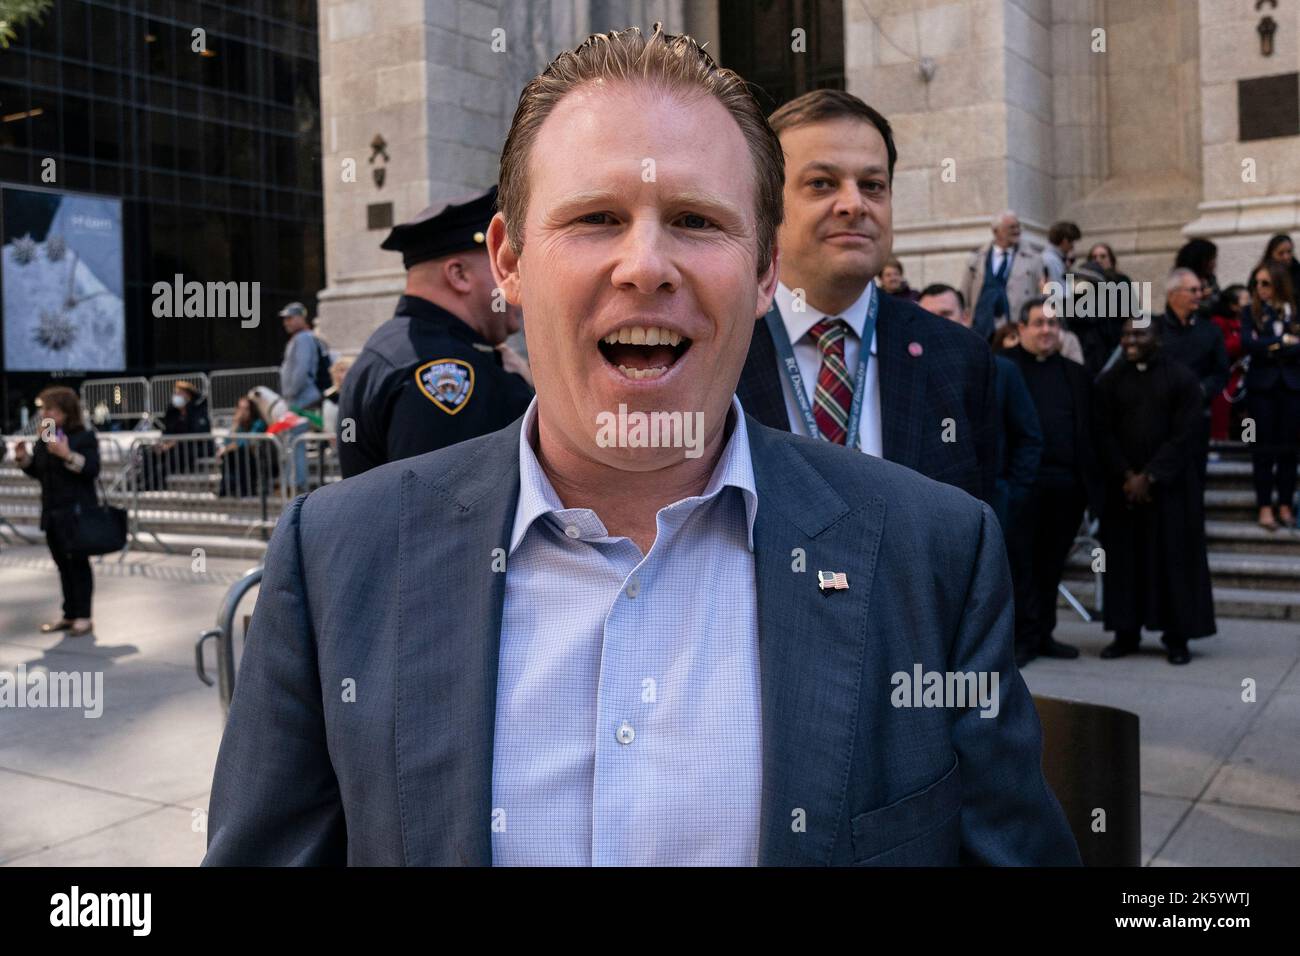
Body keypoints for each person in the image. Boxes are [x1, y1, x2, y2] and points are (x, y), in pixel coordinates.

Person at [205, 24, 1078, 867]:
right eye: (595, 217)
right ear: (508, 261)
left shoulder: (934, 558)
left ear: (764, 272)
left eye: (696, 220)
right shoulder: (338, 562)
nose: (646, 266)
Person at [735, 89, 998, 506]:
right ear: (768, 206)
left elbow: (981, 523)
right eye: (821, 184)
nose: (854, 204)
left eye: (872, 186)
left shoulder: (959, 358)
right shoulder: (718, 351)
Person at [337, 186, 535, 479]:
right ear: (459, 275)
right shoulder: (446, 367)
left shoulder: (397, 346)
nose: (517, 281)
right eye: (504, 267)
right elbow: (451, 500)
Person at [1095, 318, 1215, 664]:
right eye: (1126, 334)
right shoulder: (1110, 380)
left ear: (1158, 338)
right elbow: (1101, 432)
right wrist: (1126, 474)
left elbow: (1186, 434)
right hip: (1123, 491)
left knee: (1173, 562)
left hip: (1171, 490)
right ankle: (1125, 633)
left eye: (1139, 334)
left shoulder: (1182, 378)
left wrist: (1150, 476)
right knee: (1124, 563)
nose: (1130, 340)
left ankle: (1177, 637)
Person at [1005, 297, 1104, 668]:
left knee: (1051, 565)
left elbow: (1089, 430)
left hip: (1066, 489)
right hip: (1021, 488)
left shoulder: (1076, 374)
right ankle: (1022, 637)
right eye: (1038, 323)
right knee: (1020, 566)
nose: (1046, 330)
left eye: (1053, 324)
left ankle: (1044, 633)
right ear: (1021, 329)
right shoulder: (1004, 367)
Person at [918, 283, 1042, 531]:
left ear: (965, 317)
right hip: (923, 513)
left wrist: (1010, 495)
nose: (937, 323)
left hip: (988, 509)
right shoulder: (907, 376)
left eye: (946, 314)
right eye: (928, 316)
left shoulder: (1001, 371)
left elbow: (1028, 438)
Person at [12, 387, 101, 637]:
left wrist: (67, 455)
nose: (44, 414)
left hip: (76, 512)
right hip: (52, 511)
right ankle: (69, 613)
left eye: (50, 409)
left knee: (78, 564)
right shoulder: (45, 437)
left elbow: (92, 469)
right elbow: (40, 472)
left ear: (66, 411)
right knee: (62, 564)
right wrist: (23, 459)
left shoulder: (83, 437)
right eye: (44, 409)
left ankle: (83, 616)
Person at [1240, 260, 1300, 529]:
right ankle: (1264, 506)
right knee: (1262, 448)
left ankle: (1285, 504)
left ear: (1278, 283)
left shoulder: (1294, 312)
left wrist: (1269, 346)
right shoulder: (1249, 312)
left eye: (1265, 283)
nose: (1260, 288)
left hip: (1291, 386)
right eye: (1257, 283)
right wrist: (1283, 342)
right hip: (1261, 388)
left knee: (1289, 449)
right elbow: (1248, 343)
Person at [1159, 267, 1228, 485]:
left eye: (1200, 290)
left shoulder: (1211, 331)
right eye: (1193, 290)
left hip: (1196, 416)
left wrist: (1201, 389)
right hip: (1159, 418)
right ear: (1173, 294)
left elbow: (1221, 372)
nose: (1200, 295)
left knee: (1194, 480)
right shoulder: (1153, 328)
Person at [960, 210, 1041, 340]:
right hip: (981, 326)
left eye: (1018, 226)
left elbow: (1041, 293)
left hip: (1014, 327)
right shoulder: (977, 258)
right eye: (1011, 227)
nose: (1017, 231)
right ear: (996, 231)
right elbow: (965, 292)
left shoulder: (1034, 258)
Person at [278, 302, 328, 490]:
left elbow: (301, 369)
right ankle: (295, 482)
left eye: (290, 318)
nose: (286, 322)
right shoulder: (305, 338)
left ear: (301, 317)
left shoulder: (303, 339)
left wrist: (290, 395)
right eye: (285, 319)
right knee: (295, 440)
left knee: (295, 441)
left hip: (302, 399)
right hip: (303, 398)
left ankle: (297, 484)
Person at [139, 380, 211, 491]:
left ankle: (149, 487)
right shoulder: (172, 411)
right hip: (172, 446)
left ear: (188, 396)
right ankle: (140, 483)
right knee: (149, 453)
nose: (176, 396)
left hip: (191, 448)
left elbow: (199, 432)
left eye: (179, 393)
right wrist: (162, 443)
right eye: (175, 393)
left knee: (168, 461)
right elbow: (167, 431)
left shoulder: (198, 410)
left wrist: (175, 443)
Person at [1208, 284, 1249, 442]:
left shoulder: (1251, 320)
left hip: (1249, 376)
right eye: (1246, 299)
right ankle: (1219, 441)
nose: (1250, 303)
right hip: (1227, 377)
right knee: (1222, 404)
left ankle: (1249, 440)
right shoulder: (1218, 322)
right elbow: (1223, 348)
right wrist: (1247, 340)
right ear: (1233, 305)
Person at [216, 396, 276, 498]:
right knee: (228, 455)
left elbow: (249, 440)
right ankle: (226, 489)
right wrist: (235, 425)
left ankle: (245, 490)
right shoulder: (239, 424)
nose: (242, 412)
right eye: (240, 408)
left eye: (246, 409)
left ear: (252, 410)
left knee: (240, 453)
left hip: (260, 460)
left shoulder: (259, 423)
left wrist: (232, 446)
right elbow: (227, 442)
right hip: (242, 460)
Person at [1174, 238, 1220, 312]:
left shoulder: (1210, 279)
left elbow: (1217, 298)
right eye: (1211, 259)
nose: (1214, 264)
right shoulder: (1182, 280)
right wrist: (1200, 296)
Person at [1263, 233, 1300, 312]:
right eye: (1280, 253)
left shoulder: (1297, 271)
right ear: (1271, 254)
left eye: (1289, 252)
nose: (1286, 257)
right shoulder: (1262, 274)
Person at [1038, 221, 1080, 287]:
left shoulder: (1054, 258)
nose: (1073, 247)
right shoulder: (1052, 260)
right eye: (1072, 242)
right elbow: (1060, 288)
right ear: (1065, 241)